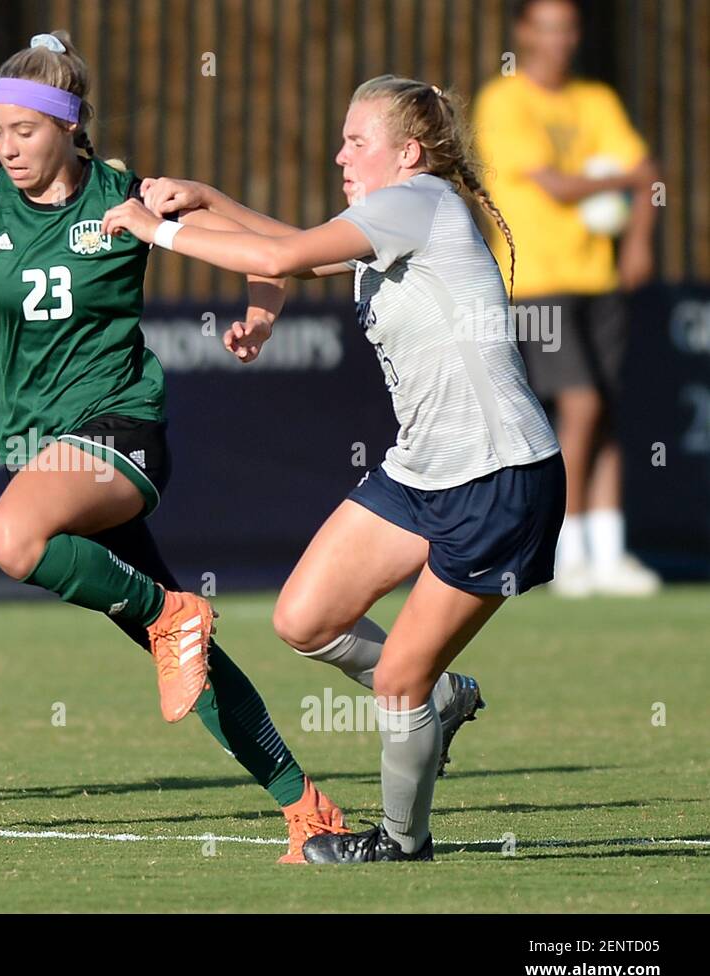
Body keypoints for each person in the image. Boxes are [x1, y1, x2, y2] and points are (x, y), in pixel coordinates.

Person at [0, 31, 349, 863]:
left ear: (70, 124)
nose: (8, 149)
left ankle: (172, 615)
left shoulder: (129, 193)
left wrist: (263, 309)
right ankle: (308, 808)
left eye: (26, 131)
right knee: (188, 663)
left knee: (8, 540)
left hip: (121, 433)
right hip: (41, 457)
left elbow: (273, 251)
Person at [105, 74, 564, 862]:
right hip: (422, 471)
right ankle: (442, 701)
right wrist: (204, 198)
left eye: (358, 140)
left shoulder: (417, 201)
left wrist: (157, 230)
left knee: (396, 682)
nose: (340, 153)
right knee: (304, 619)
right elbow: (298, 248)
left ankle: (400, 841)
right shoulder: (393, 216)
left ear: (408, 152)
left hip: (497, 478)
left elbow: (282, 254)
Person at [474, 0, 661, 596]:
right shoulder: (504, 101)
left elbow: (651, 172)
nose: (559, 40)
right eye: (546, 27)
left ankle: (609, 554)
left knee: (603, 412)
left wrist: (638, 242)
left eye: (568, 27)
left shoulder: (595, 100)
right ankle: (566, 550)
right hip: (536, 280)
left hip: (597, 277)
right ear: (524, 33)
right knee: (576, 408)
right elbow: (554, 184)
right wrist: (623, 181)